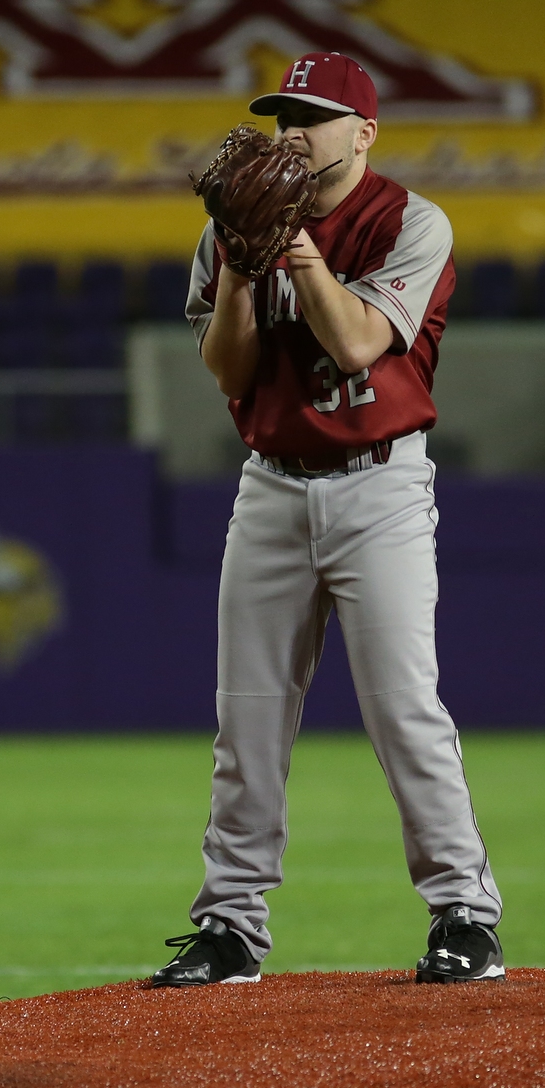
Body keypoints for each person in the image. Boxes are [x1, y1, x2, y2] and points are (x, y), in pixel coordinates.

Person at [150, 52, 504, 988]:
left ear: (364, 131)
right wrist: (235, 264)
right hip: (268, 482)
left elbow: (357, 342)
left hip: (378, 485)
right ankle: (231, 928)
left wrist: (295, 251)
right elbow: (228, 372)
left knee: (402, 709)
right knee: (248, 720)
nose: (292, 131)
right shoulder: (231, 230)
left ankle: (464, 912)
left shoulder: (411, 223)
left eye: (312, 114)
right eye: (281, 116)